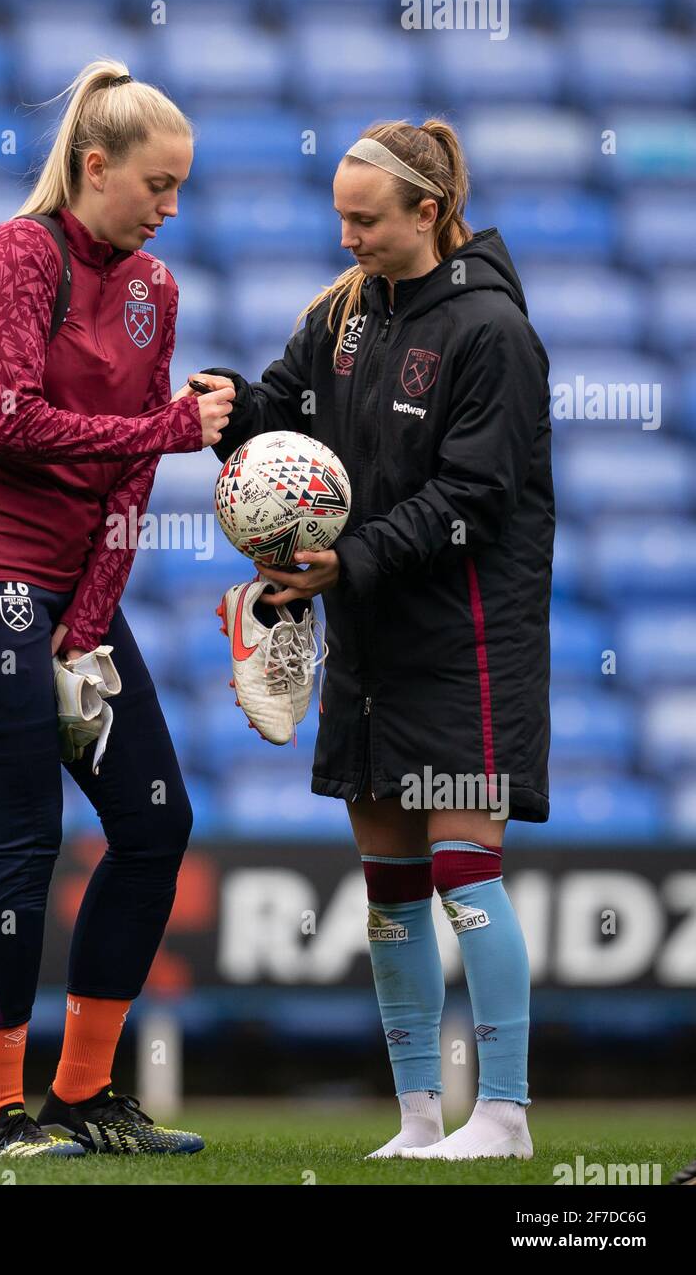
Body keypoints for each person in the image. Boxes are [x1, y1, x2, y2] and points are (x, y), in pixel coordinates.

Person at [193, 118, 554, 1160]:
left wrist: (347, 561)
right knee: (390, 887)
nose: (345, 237)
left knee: (464, 875)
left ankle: (505, 1114)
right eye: (340, 217)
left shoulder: (492, 331)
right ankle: (417, 1118)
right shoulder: (340, 316)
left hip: (465, 641)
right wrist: (228, 408)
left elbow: (474, 497)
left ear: (427, 213)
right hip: (367, 641)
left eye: (364, 219)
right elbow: (280, 416)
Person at [0, 60, 233, 1158]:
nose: (170, 207)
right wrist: (167, 428)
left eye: (179, 188)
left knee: (156, 824)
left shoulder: (155, 289)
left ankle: (85, 1096)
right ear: (96, 166)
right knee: (26, 840)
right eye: (157, 184)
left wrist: (86, 627)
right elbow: (9, 422)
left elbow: (130, 478)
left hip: (64, 588)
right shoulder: (12, 257)